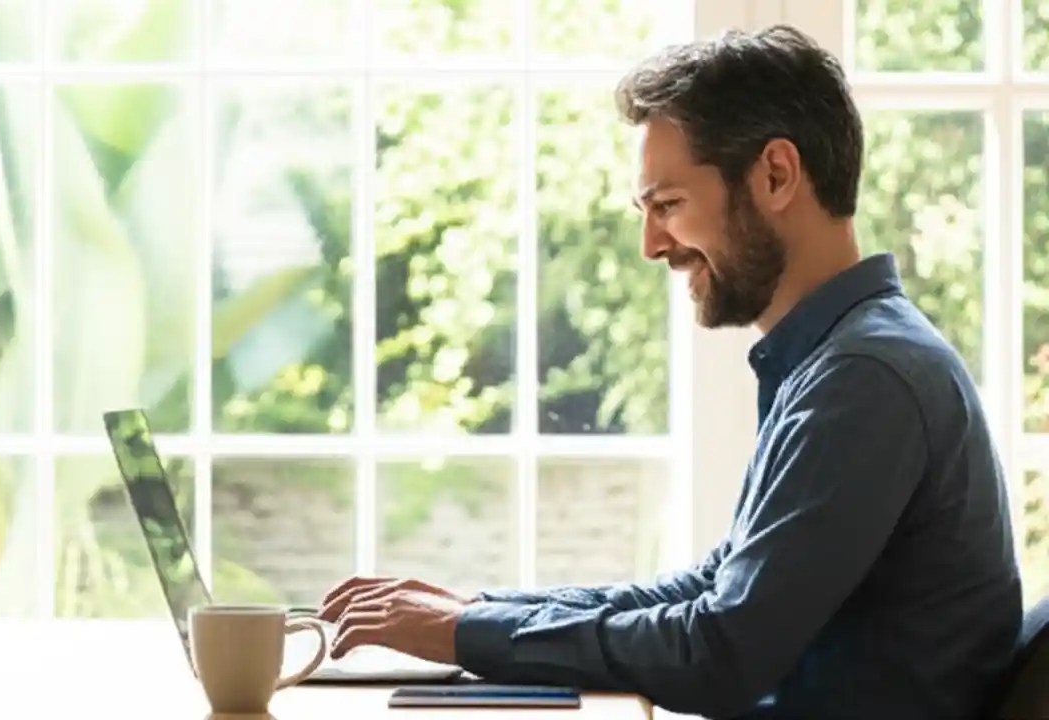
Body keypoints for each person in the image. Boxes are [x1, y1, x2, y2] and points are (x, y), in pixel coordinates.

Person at [318, 24, 1023, 720]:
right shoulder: (842, 360)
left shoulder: (865, 380)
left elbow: (718, 652)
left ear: (776, 175)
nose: (653, 244)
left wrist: (465, 632)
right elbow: (714, 589)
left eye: (669, 205)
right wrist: (477, 613)